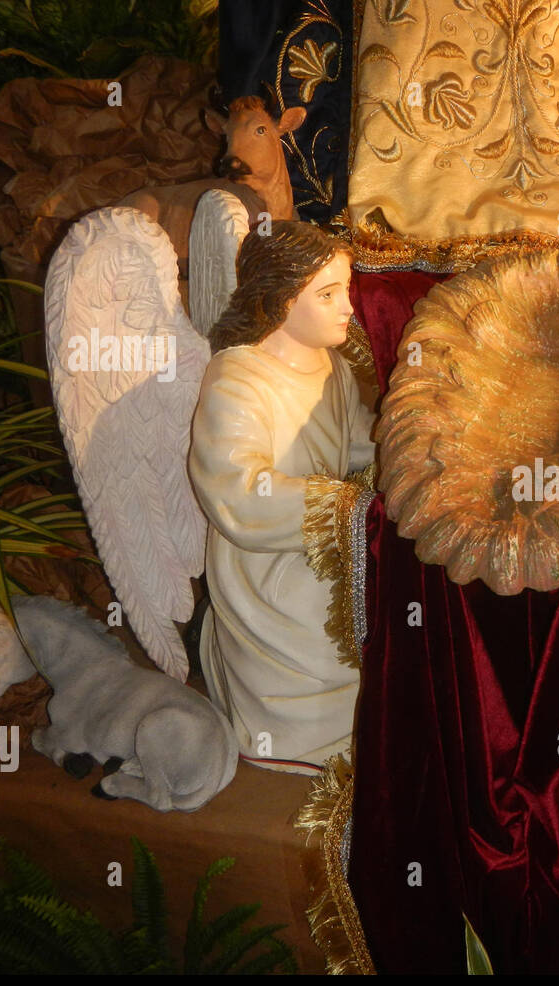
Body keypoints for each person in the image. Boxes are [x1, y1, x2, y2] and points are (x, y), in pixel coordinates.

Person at [188, 221, 375, 771]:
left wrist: (415, 453)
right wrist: (340, 507)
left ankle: (371, 724)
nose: (348, 307)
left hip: (329, 540)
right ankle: (298, 735)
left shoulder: (334, 369)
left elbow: (358, 444)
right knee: (333, 625)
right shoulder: (239, 376)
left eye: (346, 289)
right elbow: (238, 494)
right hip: (267, 565)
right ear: (279, 297)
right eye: (327, 294)